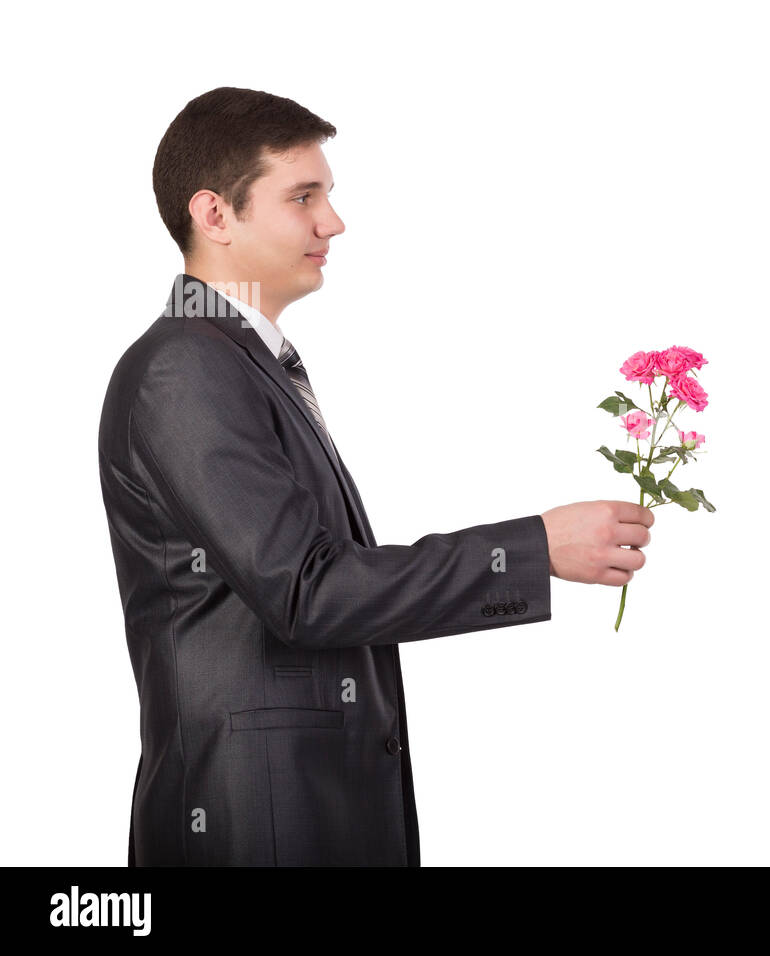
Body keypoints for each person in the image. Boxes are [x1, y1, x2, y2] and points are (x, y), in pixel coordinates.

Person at [98, 87, 653, 866]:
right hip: (254, 825)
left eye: (328, 195)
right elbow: (307, 591)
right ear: (215, 215)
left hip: (306, 811)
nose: (333, 222)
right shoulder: (185, 367)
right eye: (303, 197)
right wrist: (531, 549)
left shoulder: (240, 360)